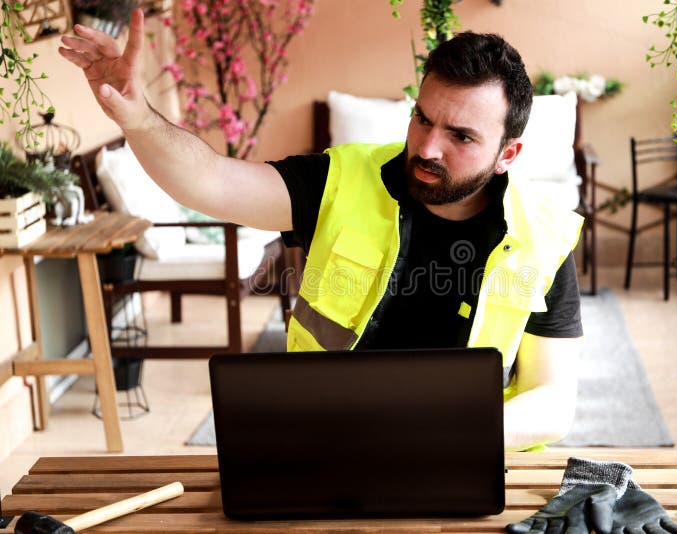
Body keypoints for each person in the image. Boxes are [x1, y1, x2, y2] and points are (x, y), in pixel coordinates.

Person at [59, 9, 584, 451]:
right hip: (325, 441)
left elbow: (553, 399)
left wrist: (441, 435)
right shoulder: (338, 179)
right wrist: (138, 117)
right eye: (422, 119)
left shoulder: (546, 238)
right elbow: (212, 183)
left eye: (461, 136)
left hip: (463, 453)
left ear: (506, 155)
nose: (426, 148)